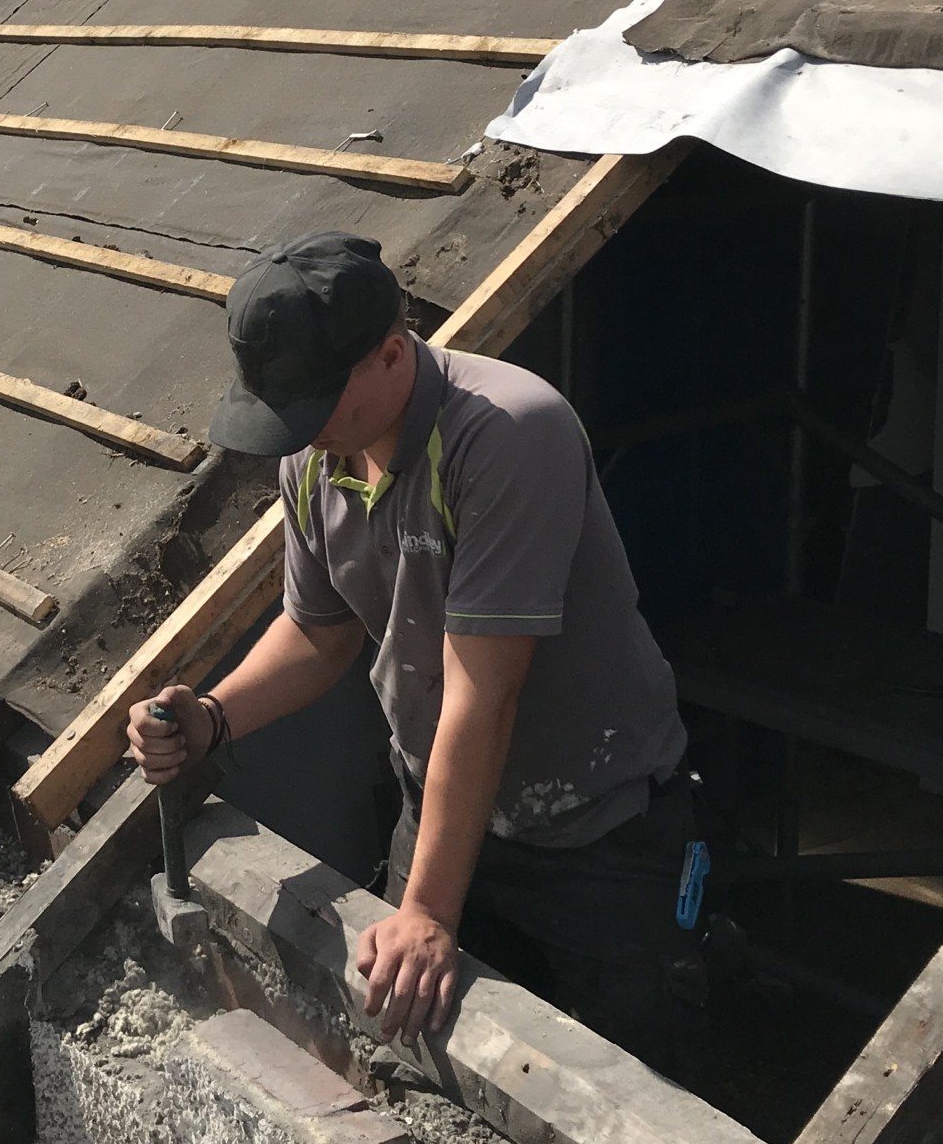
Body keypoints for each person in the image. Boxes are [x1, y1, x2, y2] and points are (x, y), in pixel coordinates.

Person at [127, 231, 701, 1068]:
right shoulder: (317, 459)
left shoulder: (506, 434)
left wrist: (429, 909)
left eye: (314, 407)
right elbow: (319, 633)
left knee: (638, 1090)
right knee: (419, 1057)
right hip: (438, 800)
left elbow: (483, 691)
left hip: (596, 828)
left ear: (390, 355)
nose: (300, 433)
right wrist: (215, 717)